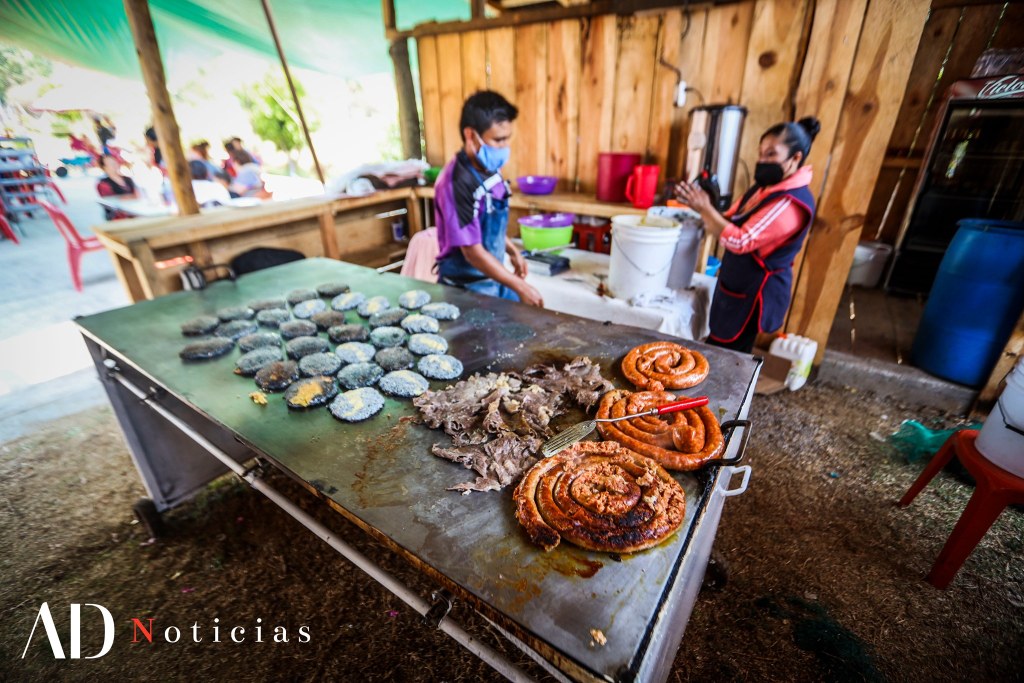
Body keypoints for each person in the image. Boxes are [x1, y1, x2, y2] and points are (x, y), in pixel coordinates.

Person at [675, 116, 821, 353]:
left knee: (731, 355)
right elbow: (730, 217)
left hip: (754, 293)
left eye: (771, 154)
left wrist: (704, 207)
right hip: (735, 283)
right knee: (717, 346)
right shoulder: (766, 188)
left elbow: (740, 240)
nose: (762, 161)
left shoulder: (790, 202)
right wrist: (703, 207)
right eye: (761, 153)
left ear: (795, 158)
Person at [433, 90, 542, 306]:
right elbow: (472, 252)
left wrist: (512, 250)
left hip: (495, 277)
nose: (504, 148)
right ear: (471, 135)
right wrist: (520, 286)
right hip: (465, 287)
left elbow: (487, 224)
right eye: (498, 140)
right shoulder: (456, 182)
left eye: (507, 139)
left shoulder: (490, 168)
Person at [96, 154, 139, 220]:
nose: (114, 165)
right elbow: (112, 201)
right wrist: (130, 197)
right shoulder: (103, 184)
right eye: (110, 163)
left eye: (114, 162)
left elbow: (137, 195)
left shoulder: (128, 179)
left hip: (134, 212)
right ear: (104, 168)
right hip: (117, 217)